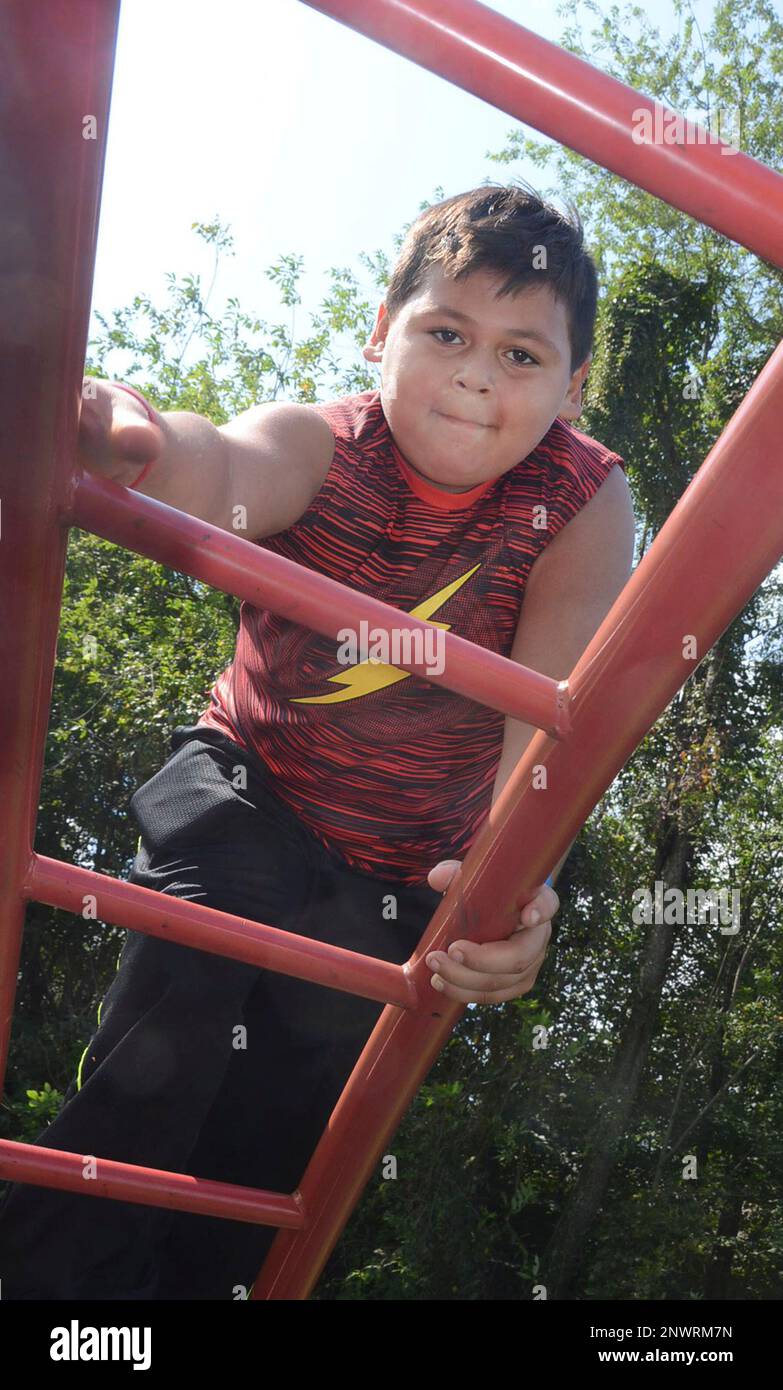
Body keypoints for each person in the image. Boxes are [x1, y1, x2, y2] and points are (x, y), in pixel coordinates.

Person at [0, 181, 636, 1300]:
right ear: (380, 332)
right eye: (447, 333)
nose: (478, 374)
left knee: (275, 1141)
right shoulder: (330, 443)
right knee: (166, 1044)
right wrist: (136, 443)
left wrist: (514, 887)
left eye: (522, 355)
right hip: (249, 785)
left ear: (573, 390)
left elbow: (547, 713)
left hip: (394, 869)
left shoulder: (579, 500)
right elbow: (230, 472)